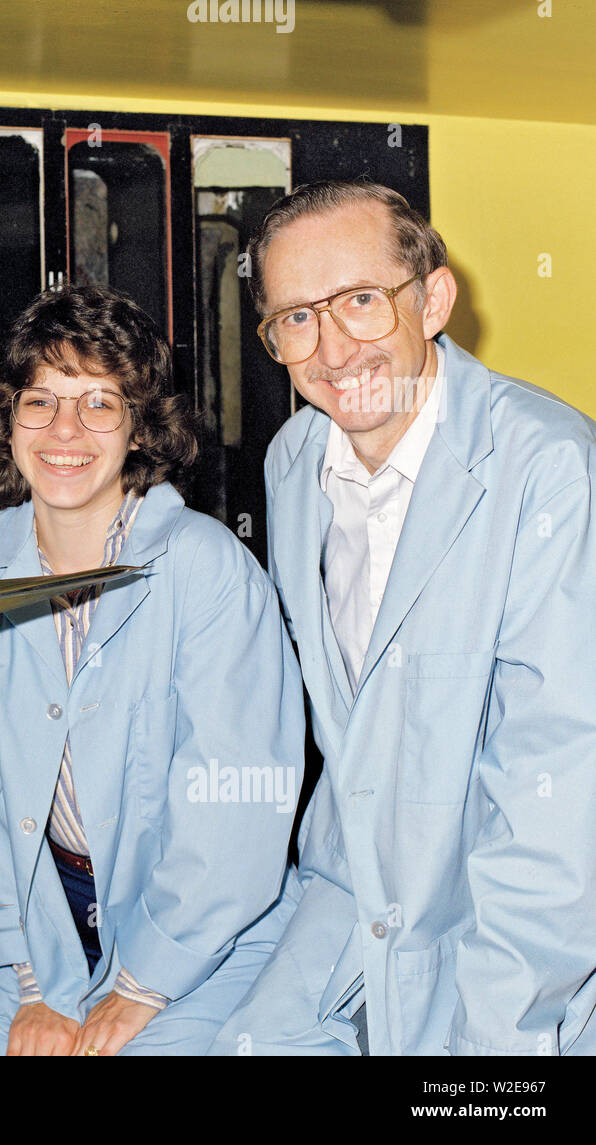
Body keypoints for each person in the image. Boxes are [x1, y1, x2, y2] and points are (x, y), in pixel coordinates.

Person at [211, 180, 596, 1056]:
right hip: (351, 904)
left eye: (360, 301)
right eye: (296, 319)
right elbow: (357, 755)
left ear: (433, 300)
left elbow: (558, 805)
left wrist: (497, 1052)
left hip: (524, 949)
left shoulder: (552, 472)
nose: (335, 348)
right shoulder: (294, 461)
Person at [0, 284, 304, 1056]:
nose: (66, 430)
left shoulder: (206, 568)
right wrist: (32, 985)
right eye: (40, 401)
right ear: (8, 418)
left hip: (205, 928)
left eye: (99, 402)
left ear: (140, 426)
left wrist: (140, 987)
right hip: (36, 921)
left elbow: (236, 812)